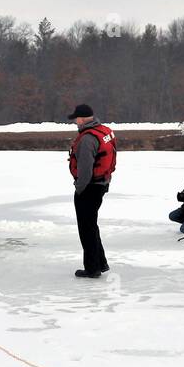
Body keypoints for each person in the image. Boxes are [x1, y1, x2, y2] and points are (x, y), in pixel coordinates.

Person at [67, 103, 116, 278]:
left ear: (81, 119)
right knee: (91, 225)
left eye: (75, 119)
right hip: (101, 183)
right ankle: (100, 263)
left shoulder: (87, 139)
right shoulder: (104, 131)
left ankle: (92, 268)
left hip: (89, 188)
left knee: (86, 228)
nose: (74, 122)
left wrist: (79, 188)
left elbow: (86, 170)